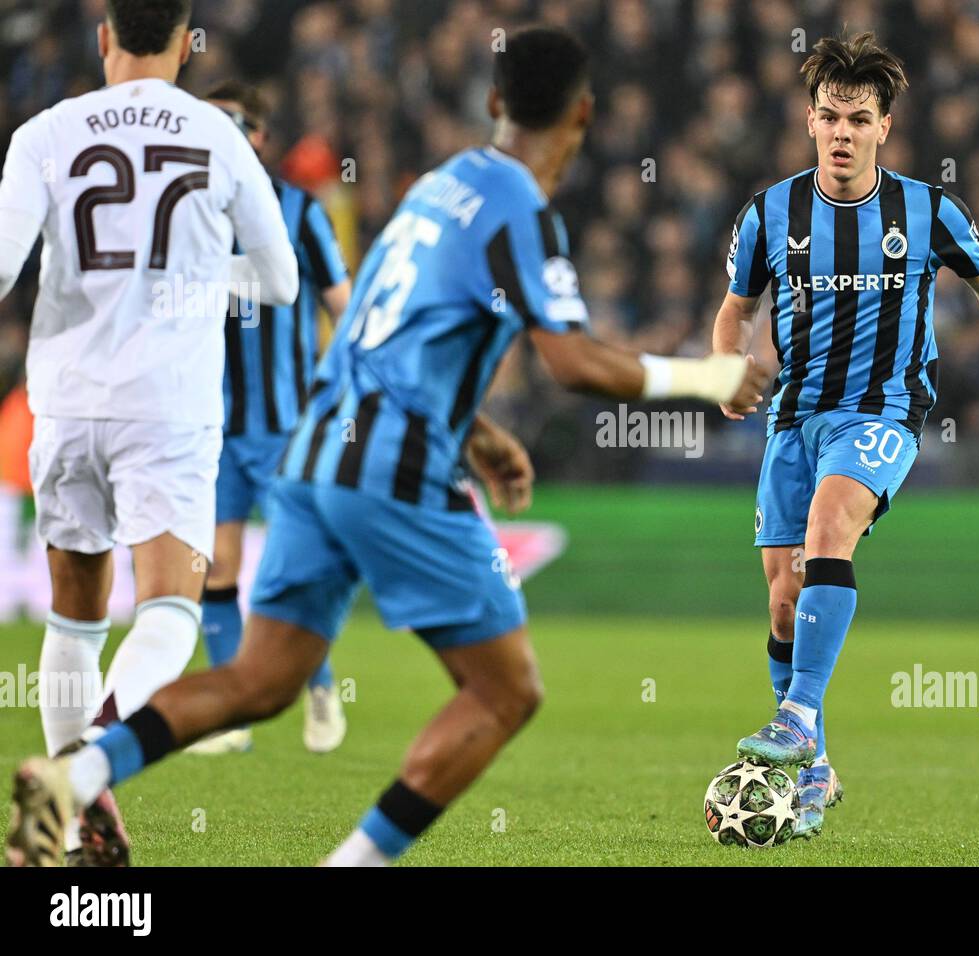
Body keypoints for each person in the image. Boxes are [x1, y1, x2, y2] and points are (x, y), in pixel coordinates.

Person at [7, 24, 767, 868]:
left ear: (493, 101)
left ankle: (76, 776)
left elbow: (371, 330)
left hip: (314, 453)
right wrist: (709, 376)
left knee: (260, 682)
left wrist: (474, 428)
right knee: (507, 690)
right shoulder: (520, 208)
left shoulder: (438, 186)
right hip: (392, 465)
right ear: (584, 114)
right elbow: (574, 361)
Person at [714, 31, 979, 838]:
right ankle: (815, 766)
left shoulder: (927, 209)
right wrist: (724, 366)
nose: (842, 132)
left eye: (859, 119)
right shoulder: (770, 213)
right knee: (783, 600)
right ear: (810, 121)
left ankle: (798, 718)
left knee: (827, 531)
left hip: (881, 412)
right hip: (794, 418)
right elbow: (735, 311)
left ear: (885, 127)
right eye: (830, 116)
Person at [0, 0, 297, 866]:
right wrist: (193, 276)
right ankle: (86, 768)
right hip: (166, 407)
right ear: (184, 44)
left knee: (76, 616)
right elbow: (279, 280)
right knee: (169, 613)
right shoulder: (216, 136)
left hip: (66, 401)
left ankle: (69, 814)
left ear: (104, 39)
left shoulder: (46, 133)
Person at [188, 80, 353, 756]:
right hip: (210, 425)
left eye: (234, 124)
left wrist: (345, 389)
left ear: (258, 136)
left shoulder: (300, 211)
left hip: (286, 424)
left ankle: (321, 686)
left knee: (293, 568)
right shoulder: (184, 212)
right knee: (216, 567)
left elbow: (344, 307)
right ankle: (231, 715)